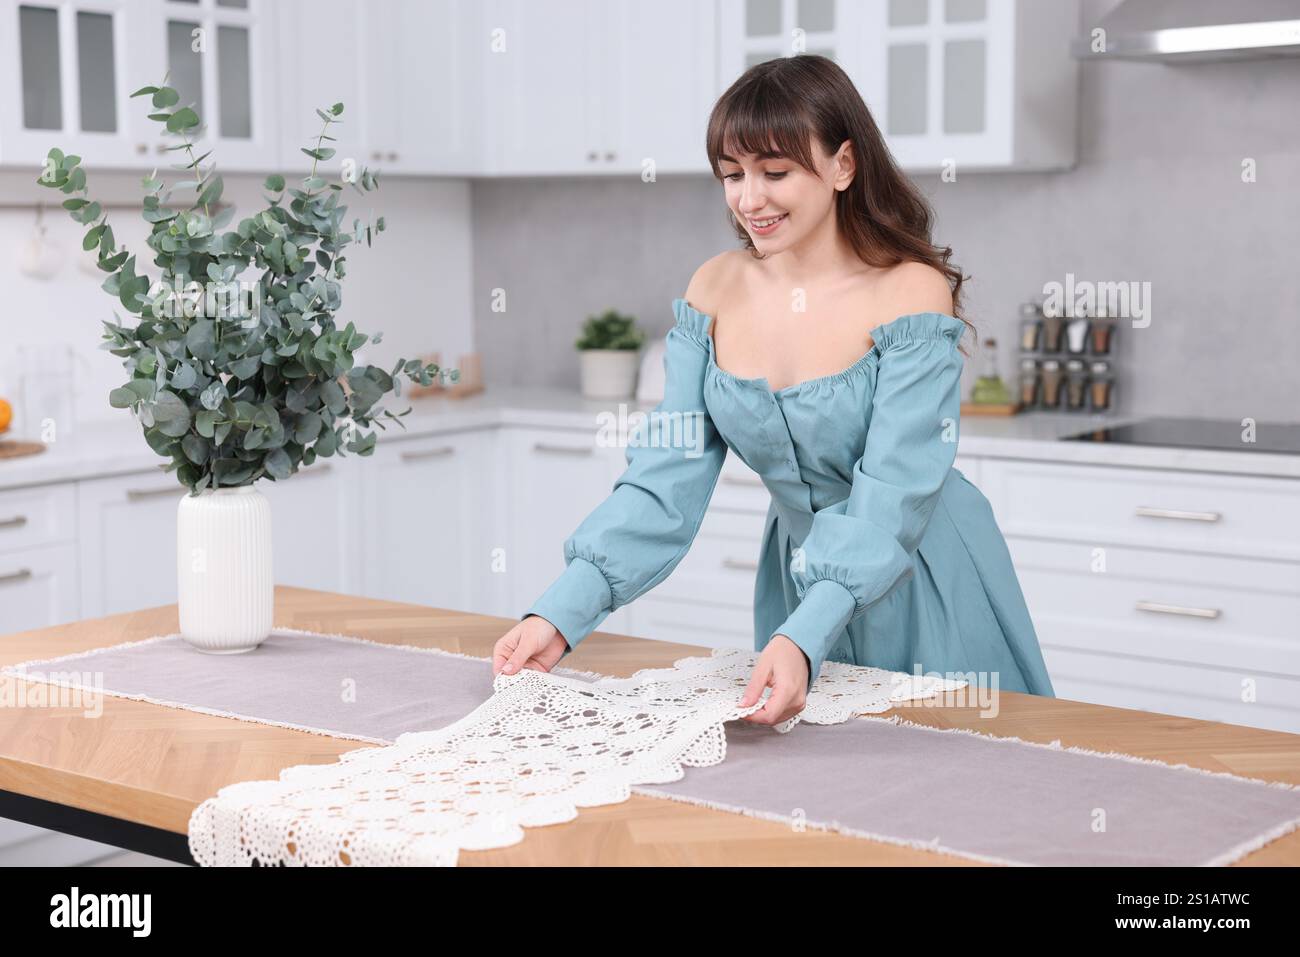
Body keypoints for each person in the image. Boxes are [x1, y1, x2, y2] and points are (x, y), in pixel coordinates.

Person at [492, 54, 1055, 728]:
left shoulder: (909, 292)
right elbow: (665, 477)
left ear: (843, 165)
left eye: (776, 172)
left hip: (924, 575)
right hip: (798, 587)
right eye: (732, 175)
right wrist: (562, 610)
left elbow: (897, 487)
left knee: (953, 790)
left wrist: (804, 632)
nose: (749, 199)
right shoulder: (714, 290)